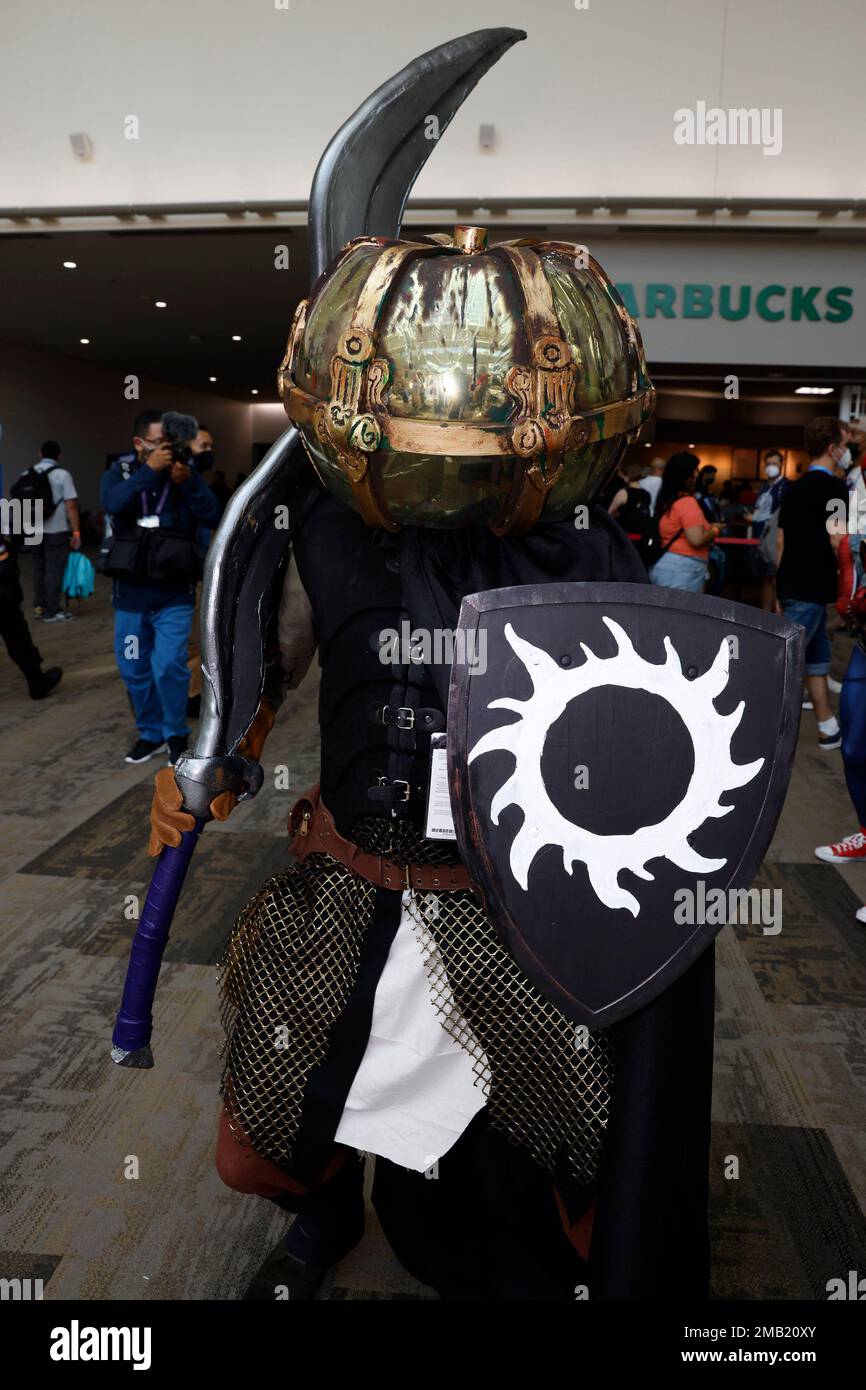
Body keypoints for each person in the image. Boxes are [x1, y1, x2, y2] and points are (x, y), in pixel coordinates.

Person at [101, 409, 219, 766]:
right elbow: (113, 503)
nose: (166, 450)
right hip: (131, 594)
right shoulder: (120, 472)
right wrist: (148, 471)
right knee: (134, 667)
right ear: (140, 443)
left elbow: (212, 513)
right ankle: (149, 733)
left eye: (170, 443)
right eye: (158, 443)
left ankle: (175, 733)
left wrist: (189, 482)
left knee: (169, 665)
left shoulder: (184, 473)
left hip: (174, 591)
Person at [775, 416, 848, 751]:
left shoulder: (793, 487)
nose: (847, 451)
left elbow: (780, 543)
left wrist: (778, 587)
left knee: (815, 662)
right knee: (781, 664)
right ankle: (757, 733)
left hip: (793, 583)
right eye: (845, 445)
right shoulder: (835, 488)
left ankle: (827, 727)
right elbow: (838, 540)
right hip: (814, 587)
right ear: (833, 449)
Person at [0, 533, 63, 698]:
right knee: (18, 638)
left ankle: (37, 680)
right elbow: (4, 565)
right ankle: (37, 681)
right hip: (4, 599)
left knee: (17, 638)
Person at [24, 441, 81, 622]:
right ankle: (53, 610)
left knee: (38, 568)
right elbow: (71, 506)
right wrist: (77, 532)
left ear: (40, 454)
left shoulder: (27, 474)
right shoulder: (62, 475)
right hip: (56, 529)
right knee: (54, 569)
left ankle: (39, 608)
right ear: (59, 455)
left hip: (33, 529)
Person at [649, 451, 722, 592]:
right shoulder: (687, 502)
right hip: (682, 570)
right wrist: (716, 529)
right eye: (695, 471)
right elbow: (696, 539)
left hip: (667, 566)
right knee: (679, 614)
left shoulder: (667, 499)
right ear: (686, 475)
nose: (697, 475)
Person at [752, 451, 789, 611]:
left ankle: (775, 618)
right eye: (768, 464)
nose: (770, 467)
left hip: (775, 540)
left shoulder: (785, 487)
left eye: (774, 463)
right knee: (765, 579)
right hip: (760, 540)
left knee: (775, 579)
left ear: (781, 465)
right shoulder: (765, 486)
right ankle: (766, 615)